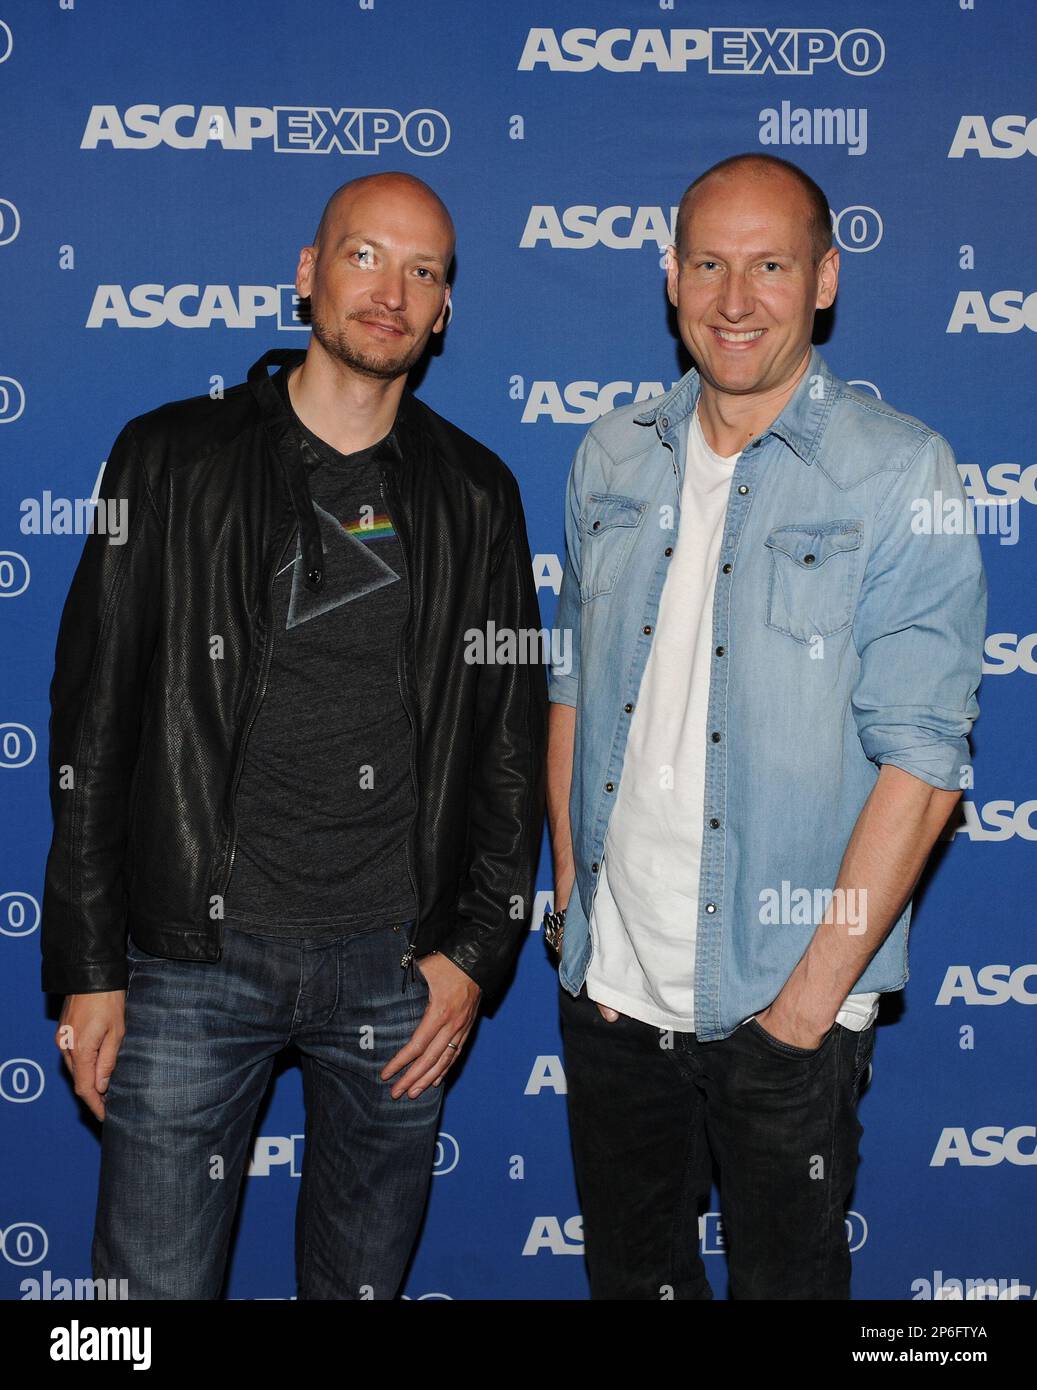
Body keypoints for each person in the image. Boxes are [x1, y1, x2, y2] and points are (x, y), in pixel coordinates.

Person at [42, 170, 547, 1299]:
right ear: (308, 274)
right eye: (365, 255)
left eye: (424, 270)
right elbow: (95, 717)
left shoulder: (477, 494)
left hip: (393, 968)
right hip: (186, 960)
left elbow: (510, 742)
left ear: (444, 310)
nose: (392, 290)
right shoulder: (168, 457)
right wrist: (87, 965)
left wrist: (474, 955)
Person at [544, 153, 986, 1300]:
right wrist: (573, 911)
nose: (733, 299)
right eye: (706, 263)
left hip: (782, 1007)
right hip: (614, 989)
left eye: (770, 265)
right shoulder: (609, 454)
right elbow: (568, 693)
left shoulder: (897, 473)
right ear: (668, 276)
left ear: (823, 280)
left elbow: (925, 763)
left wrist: (801, 1007)